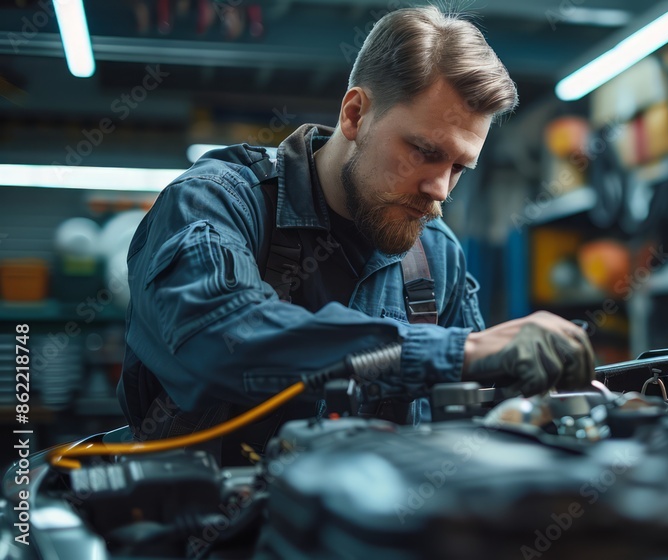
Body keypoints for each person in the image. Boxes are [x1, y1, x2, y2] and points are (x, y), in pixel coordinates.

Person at [117, 5, 595, 465]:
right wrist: (457, 351)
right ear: (355, 114)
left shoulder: (437, 253)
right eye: (424, 151)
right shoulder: (217, 203)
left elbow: (471, 412)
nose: (439, 190)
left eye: (458, 168)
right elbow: (217, 338)